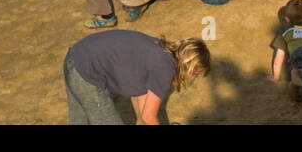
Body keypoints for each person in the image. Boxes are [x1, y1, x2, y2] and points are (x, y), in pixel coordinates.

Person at [62, 31, 210, 125]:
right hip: (86, 71)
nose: (193, 79)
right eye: (196, 74)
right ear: (189, 66)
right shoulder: (165, 68)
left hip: (76, 55)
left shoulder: (161, 51)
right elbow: (148, 117)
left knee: (78, 121)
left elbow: (144, 107)